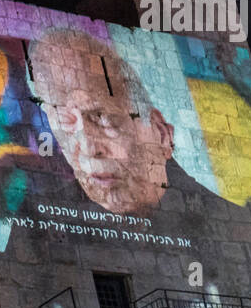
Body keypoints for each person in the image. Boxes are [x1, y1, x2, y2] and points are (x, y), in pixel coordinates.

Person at [27, 28, 175, 217]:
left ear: (162, 134)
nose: (89, 149)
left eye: (100, 117)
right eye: (65, 123)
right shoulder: (40, 220)